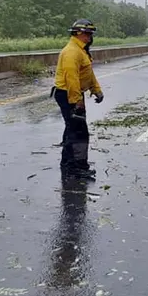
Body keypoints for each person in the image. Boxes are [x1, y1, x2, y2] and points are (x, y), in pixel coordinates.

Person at [51, 19, 104, 180]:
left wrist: (96, 90)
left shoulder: (81, 50)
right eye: (87, 34)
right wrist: (77, 101)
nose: (89, 37)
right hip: (68, 94)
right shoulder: (71, 52)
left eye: (90, 34)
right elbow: (71, 79)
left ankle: (68, 164)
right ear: (78, 33)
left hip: (74, 94)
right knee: (79, 132)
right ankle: (76, 168)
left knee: (72, 129)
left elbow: (88, 73)